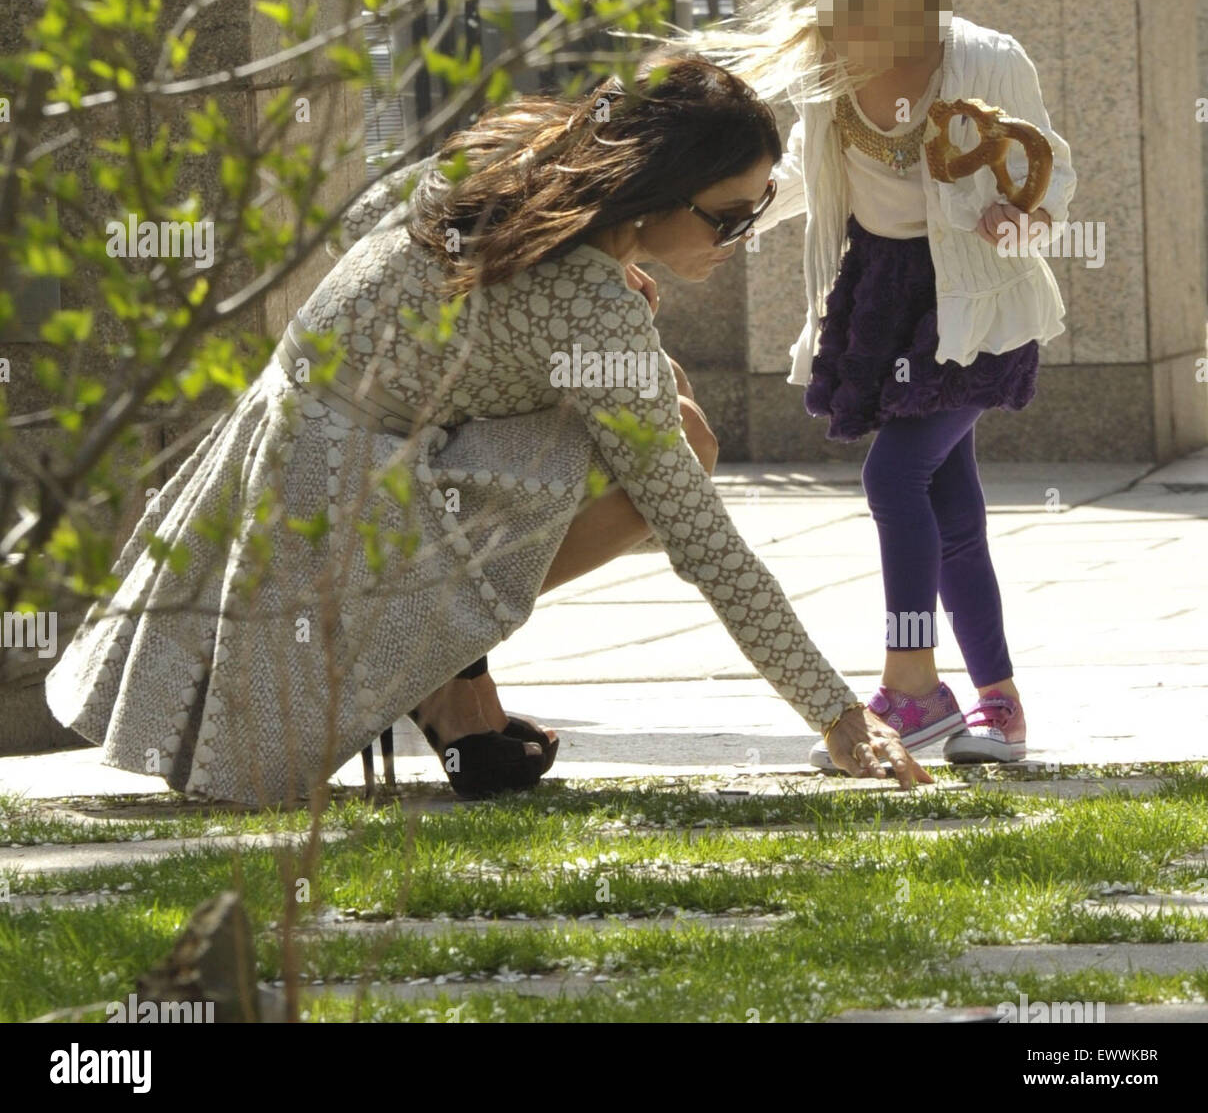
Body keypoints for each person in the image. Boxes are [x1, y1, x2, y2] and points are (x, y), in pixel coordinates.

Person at [45, 52, 930, 807]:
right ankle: (440, 667)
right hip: (338, 491)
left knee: (664, 410)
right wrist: (840, 717)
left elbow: (361, 222)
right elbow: (702, 538)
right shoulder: (588, 304)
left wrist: (505, 321)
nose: (741, 236)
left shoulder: (508, 158)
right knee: (679, 447)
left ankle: (451, 682)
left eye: (760, 209)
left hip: (292, 428)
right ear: (651, 190)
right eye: (728, 215)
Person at [667, 0, 1077, 766]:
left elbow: (1051, 166)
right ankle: (998, 704)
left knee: (895, 479)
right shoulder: (834, 68)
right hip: (882, 299)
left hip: (974, 303)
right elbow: (801, 186)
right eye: (855, 10)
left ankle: (913, 689)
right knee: (949, 499)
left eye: (892, 12)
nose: (872, 34)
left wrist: (1025, 218)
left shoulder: (986, 61)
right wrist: (719, 228)